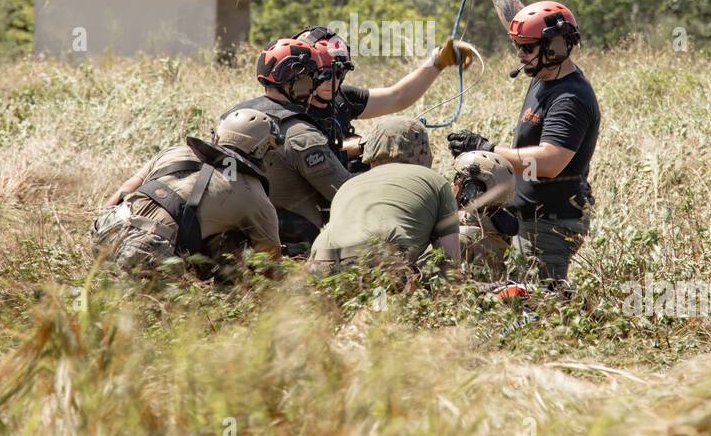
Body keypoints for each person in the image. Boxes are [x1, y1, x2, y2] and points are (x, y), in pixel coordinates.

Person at [446, 0, 601, 284]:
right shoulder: (544, 67)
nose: (520, 54)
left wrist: (488, 151)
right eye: (518, 46)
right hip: (523, 213)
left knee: (539, 301)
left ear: (554, 48)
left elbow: (550, 161)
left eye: (527, 48)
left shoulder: (570, 97)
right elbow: (516, 18)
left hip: (551, 222)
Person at [93, 107, 283, 279]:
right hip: (144, 253)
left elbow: (125, 189)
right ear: (260, 149)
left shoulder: (174, 151)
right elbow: (269, 264)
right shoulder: (254, 194)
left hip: (107, 229)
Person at [220, 38, 353, 253]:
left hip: (232, 242)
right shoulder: (301, 134)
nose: (315, 87)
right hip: (293, 249)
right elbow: (346, 194)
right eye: (312, 79)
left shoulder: (232, 119)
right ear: (297, 80)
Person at [293, 26, 476, 171]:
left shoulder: (342, 98)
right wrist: (366, 144)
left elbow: (398, 97)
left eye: (338, 73)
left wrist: (437, 61)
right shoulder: (286, 106)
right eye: (324, 74)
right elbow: (309, 153)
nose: (331, 81)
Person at [308, 116, 460, 277]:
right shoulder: (435, 181)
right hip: (381, 261)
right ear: (423, 152)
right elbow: (449, 262)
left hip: (320, 263)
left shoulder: (347, 185)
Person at [451, 150, 519, 275]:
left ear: (471, 190)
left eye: (457, 178)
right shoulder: (501, 233)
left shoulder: (458, 237)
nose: (452, 184)